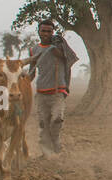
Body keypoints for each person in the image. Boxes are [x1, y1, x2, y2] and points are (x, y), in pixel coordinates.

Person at [26, 19, 79, 155]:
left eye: (49, 31)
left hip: (58, 91)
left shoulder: (60, 47)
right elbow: (31, 72)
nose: (46, 33)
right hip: (41, 92)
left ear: (52, 32)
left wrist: (59, 54)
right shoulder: (34, 50)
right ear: (38, 32)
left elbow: (70, 59)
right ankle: (46, 154)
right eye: (43, 31)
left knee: (57, 119)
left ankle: (55, 143)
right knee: (43, 124)